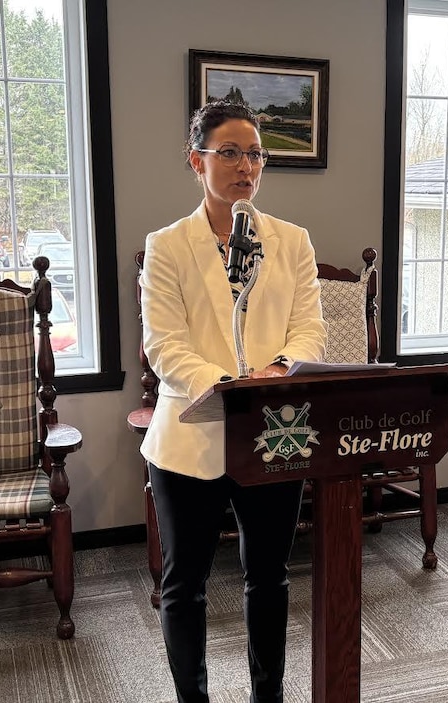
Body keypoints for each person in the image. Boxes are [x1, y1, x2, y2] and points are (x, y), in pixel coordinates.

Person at [139, 99, 326, 703]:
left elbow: (309, 331)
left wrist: (274, 372)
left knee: (269, 577)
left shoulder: (291, 241)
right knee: (184, 584)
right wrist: (228, 388)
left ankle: (266, 695)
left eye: (255, 153)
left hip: (275, 431)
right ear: (197, 161)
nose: (246, 165)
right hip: (189, 436)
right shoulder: (167, 246)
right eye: (230, 152)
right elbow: (164, 344)